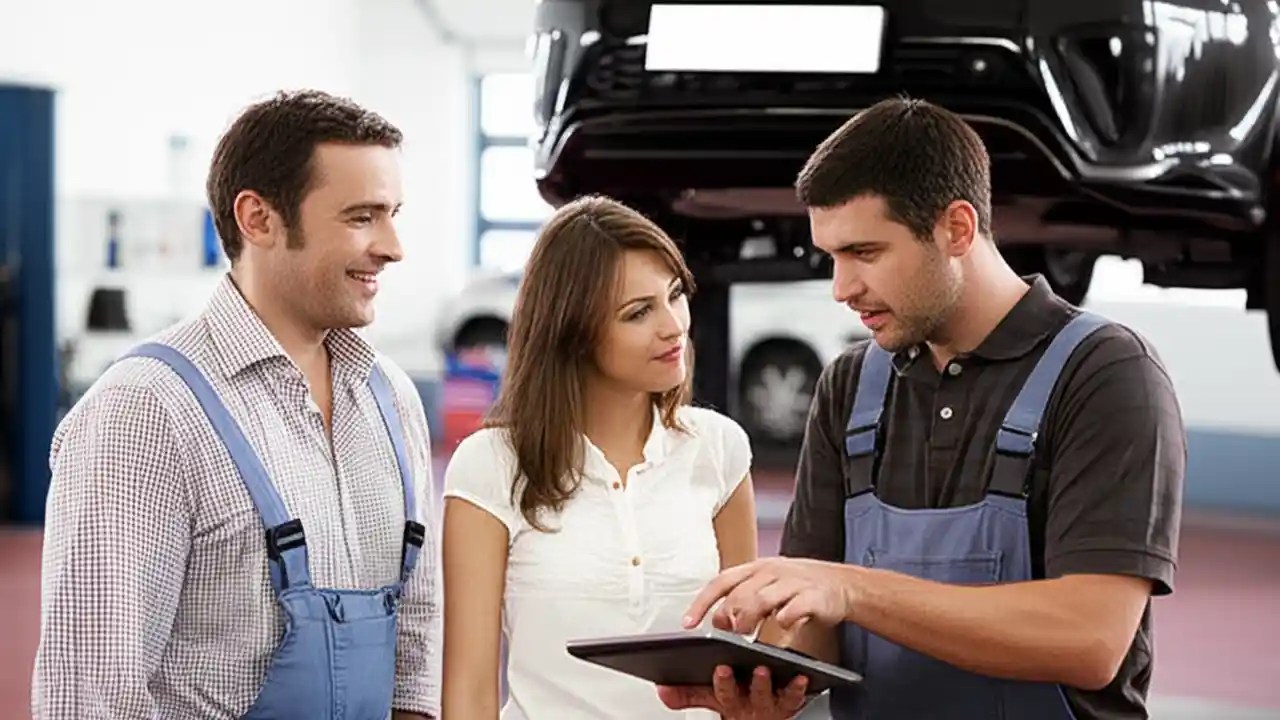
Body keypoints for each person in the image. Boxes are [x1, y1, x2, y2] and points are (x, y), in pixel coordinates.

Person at [658, 96, 1186, 719]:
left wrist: (851, 589)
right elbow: (823, 621)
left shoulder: (1107, 376)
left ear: (956, 229)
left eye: (865, 253)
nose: (841, 288)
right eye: (831, 257)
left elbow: (1090, 639)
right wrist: (769, 669)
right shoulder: (849, 385)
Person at [32, 90, 441, 720]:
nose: (393, 246)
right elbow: (90, 695)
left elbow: (415, 644)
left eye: (394, 214)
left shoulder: (390, 399)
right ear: (258, 219)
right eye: (362, 217)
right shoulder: (144, 412)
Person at [439, 195, 760, 718]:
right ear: (573, 331)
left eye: (675, 294)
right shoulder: (489, 465)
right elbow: (469, 694)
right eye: (638, 312)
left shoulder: (720, 448)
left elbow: (741, 664)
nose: (673, 325)